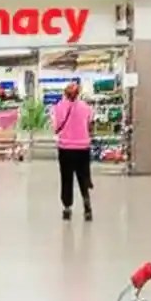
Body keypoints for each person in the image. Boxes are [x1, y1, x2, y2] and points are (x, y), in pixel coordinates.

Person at [51, 82, 94, 221]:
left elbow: (56, 126)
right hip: (83, 147)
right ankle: (87, 205)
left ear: (65, 93)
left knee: (66, 178)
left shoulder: (59, 107)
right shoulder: (86, 107)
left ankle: (67, 208)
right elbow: (89, 124)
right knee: (83, 177)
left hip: (66, 148)